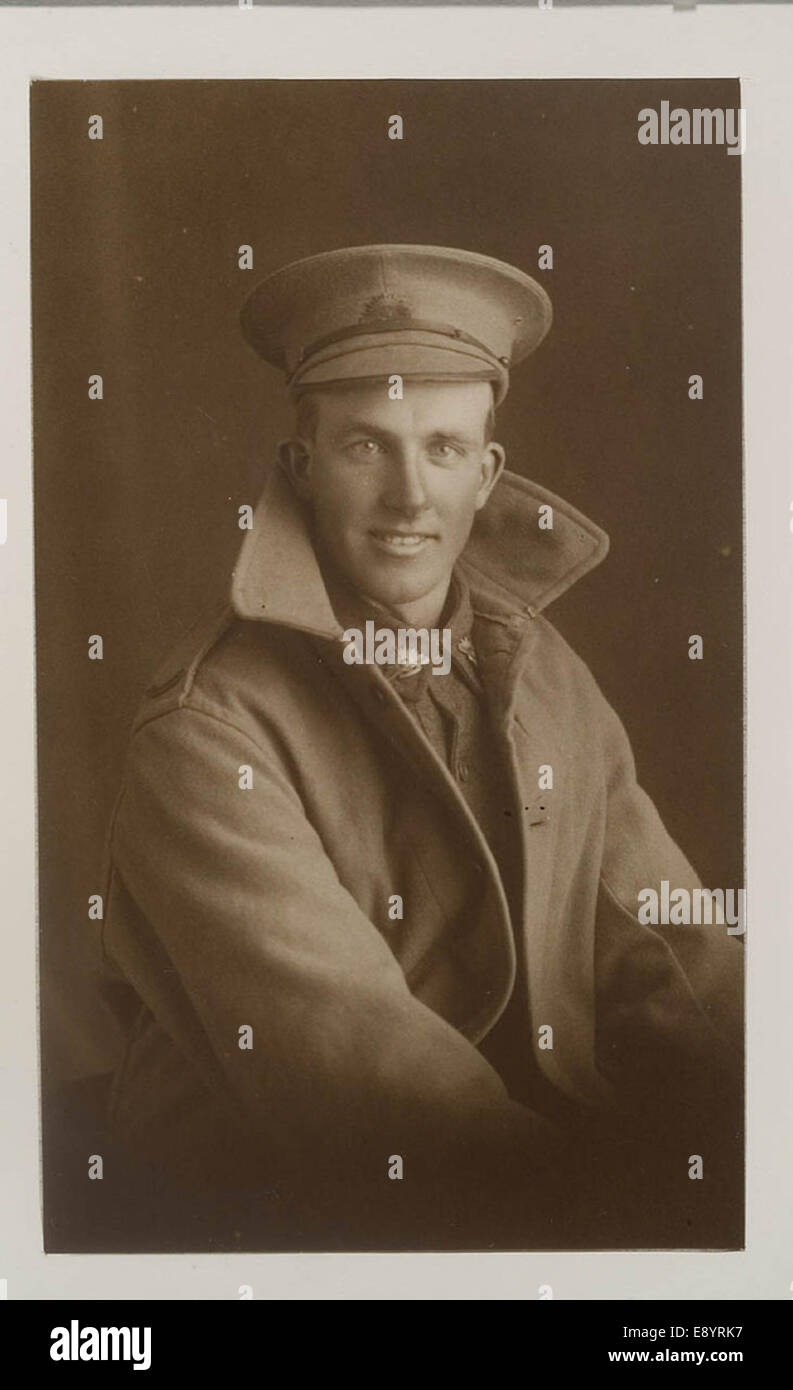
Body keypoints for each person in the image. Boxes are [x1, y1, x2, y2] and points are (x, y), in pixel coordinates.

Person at [98, 245, 743, 1250]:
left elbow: (670, 953)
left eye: (442, 448)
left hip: (519, 1185)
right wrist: (614, 1223)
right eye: (368, 446)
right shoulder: (204, 729)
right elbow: (364, 1089)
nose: (410, 495)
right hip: (263, 1223)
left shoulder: (544, 673)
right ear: (303, 464)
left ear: (486, 473)